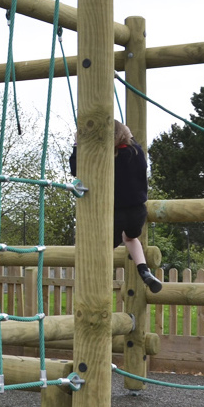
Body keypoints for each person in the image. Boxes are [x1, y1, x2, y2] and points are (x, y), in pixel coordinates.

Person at [69, 120, 160, 293]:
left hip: (114, 212)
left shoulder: (105, 157)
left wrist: (77, 144)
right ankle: (144, 270)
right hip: (138, 211)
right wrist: (126, 132)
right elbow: (132, 140)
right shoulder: (137, 152)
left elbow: (76, 169)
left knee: (101, 248)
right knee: (131, 238)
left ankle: (96, 281)